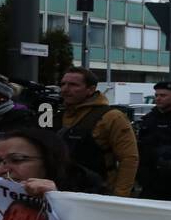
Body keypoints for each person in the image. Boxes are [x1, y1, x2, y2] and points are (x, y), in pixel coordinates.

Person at [56, 66, 138, 197]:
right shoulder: (57, 114)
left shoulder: (112, 116)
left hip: (98, 192)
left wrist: (120, 196)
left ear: (91, 89)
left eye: (73, 85)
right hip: (60, 191)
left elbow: (129, 159)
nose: (65, 89)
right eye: (63, 84)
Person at [0, 127, 108, 196]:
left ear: (49, 161)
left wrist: (57, 199)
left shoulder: (89, 194)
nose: (0, 170)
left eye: (17, 160)